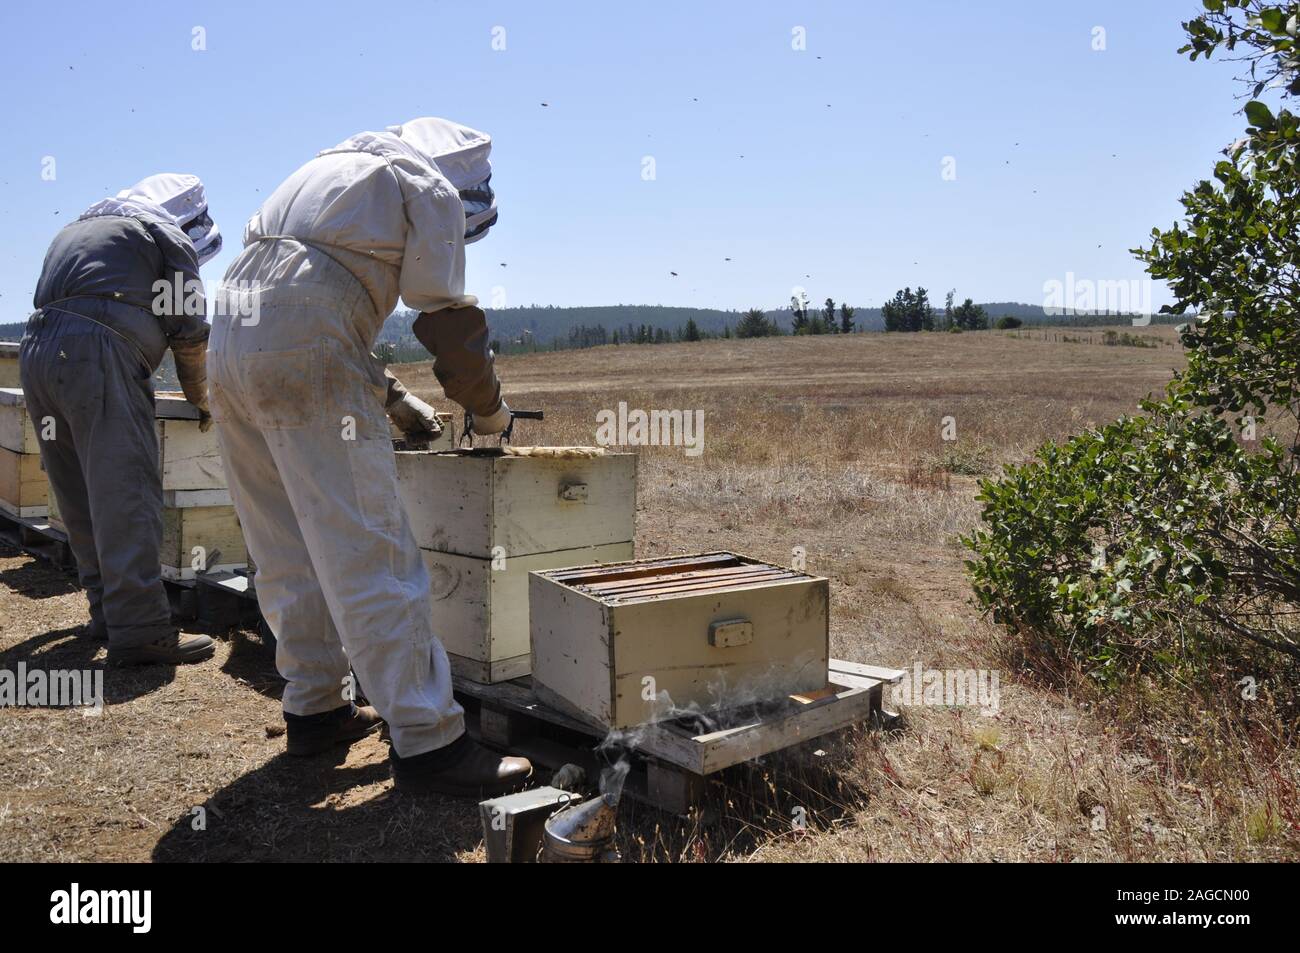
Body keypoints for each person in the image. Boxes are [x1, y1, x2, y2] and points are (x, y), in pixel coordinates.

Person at [208, 117, 532, 797]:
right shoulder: (429, 184)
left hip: (227, 345)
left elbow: (291, 305)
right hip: (300, 343)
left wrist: (387, 397)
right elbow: (447, 324)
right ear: (467, 190)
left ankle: (315, 708)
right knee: (369, 547)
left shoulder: (324, 171)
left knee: (283, 540)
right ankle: (430, 742)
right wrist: (490, 411)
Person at [21, 174, 221, 666]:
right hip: (98, 356)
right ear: (188, 216)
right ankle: (141, 632)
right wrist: (202, 395)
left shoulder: (76, 231)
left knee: (78, 491)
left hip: (38, 353)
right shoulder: (163, 233)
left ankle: (107, 615)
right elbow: (190, 329)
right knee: (125, 491)